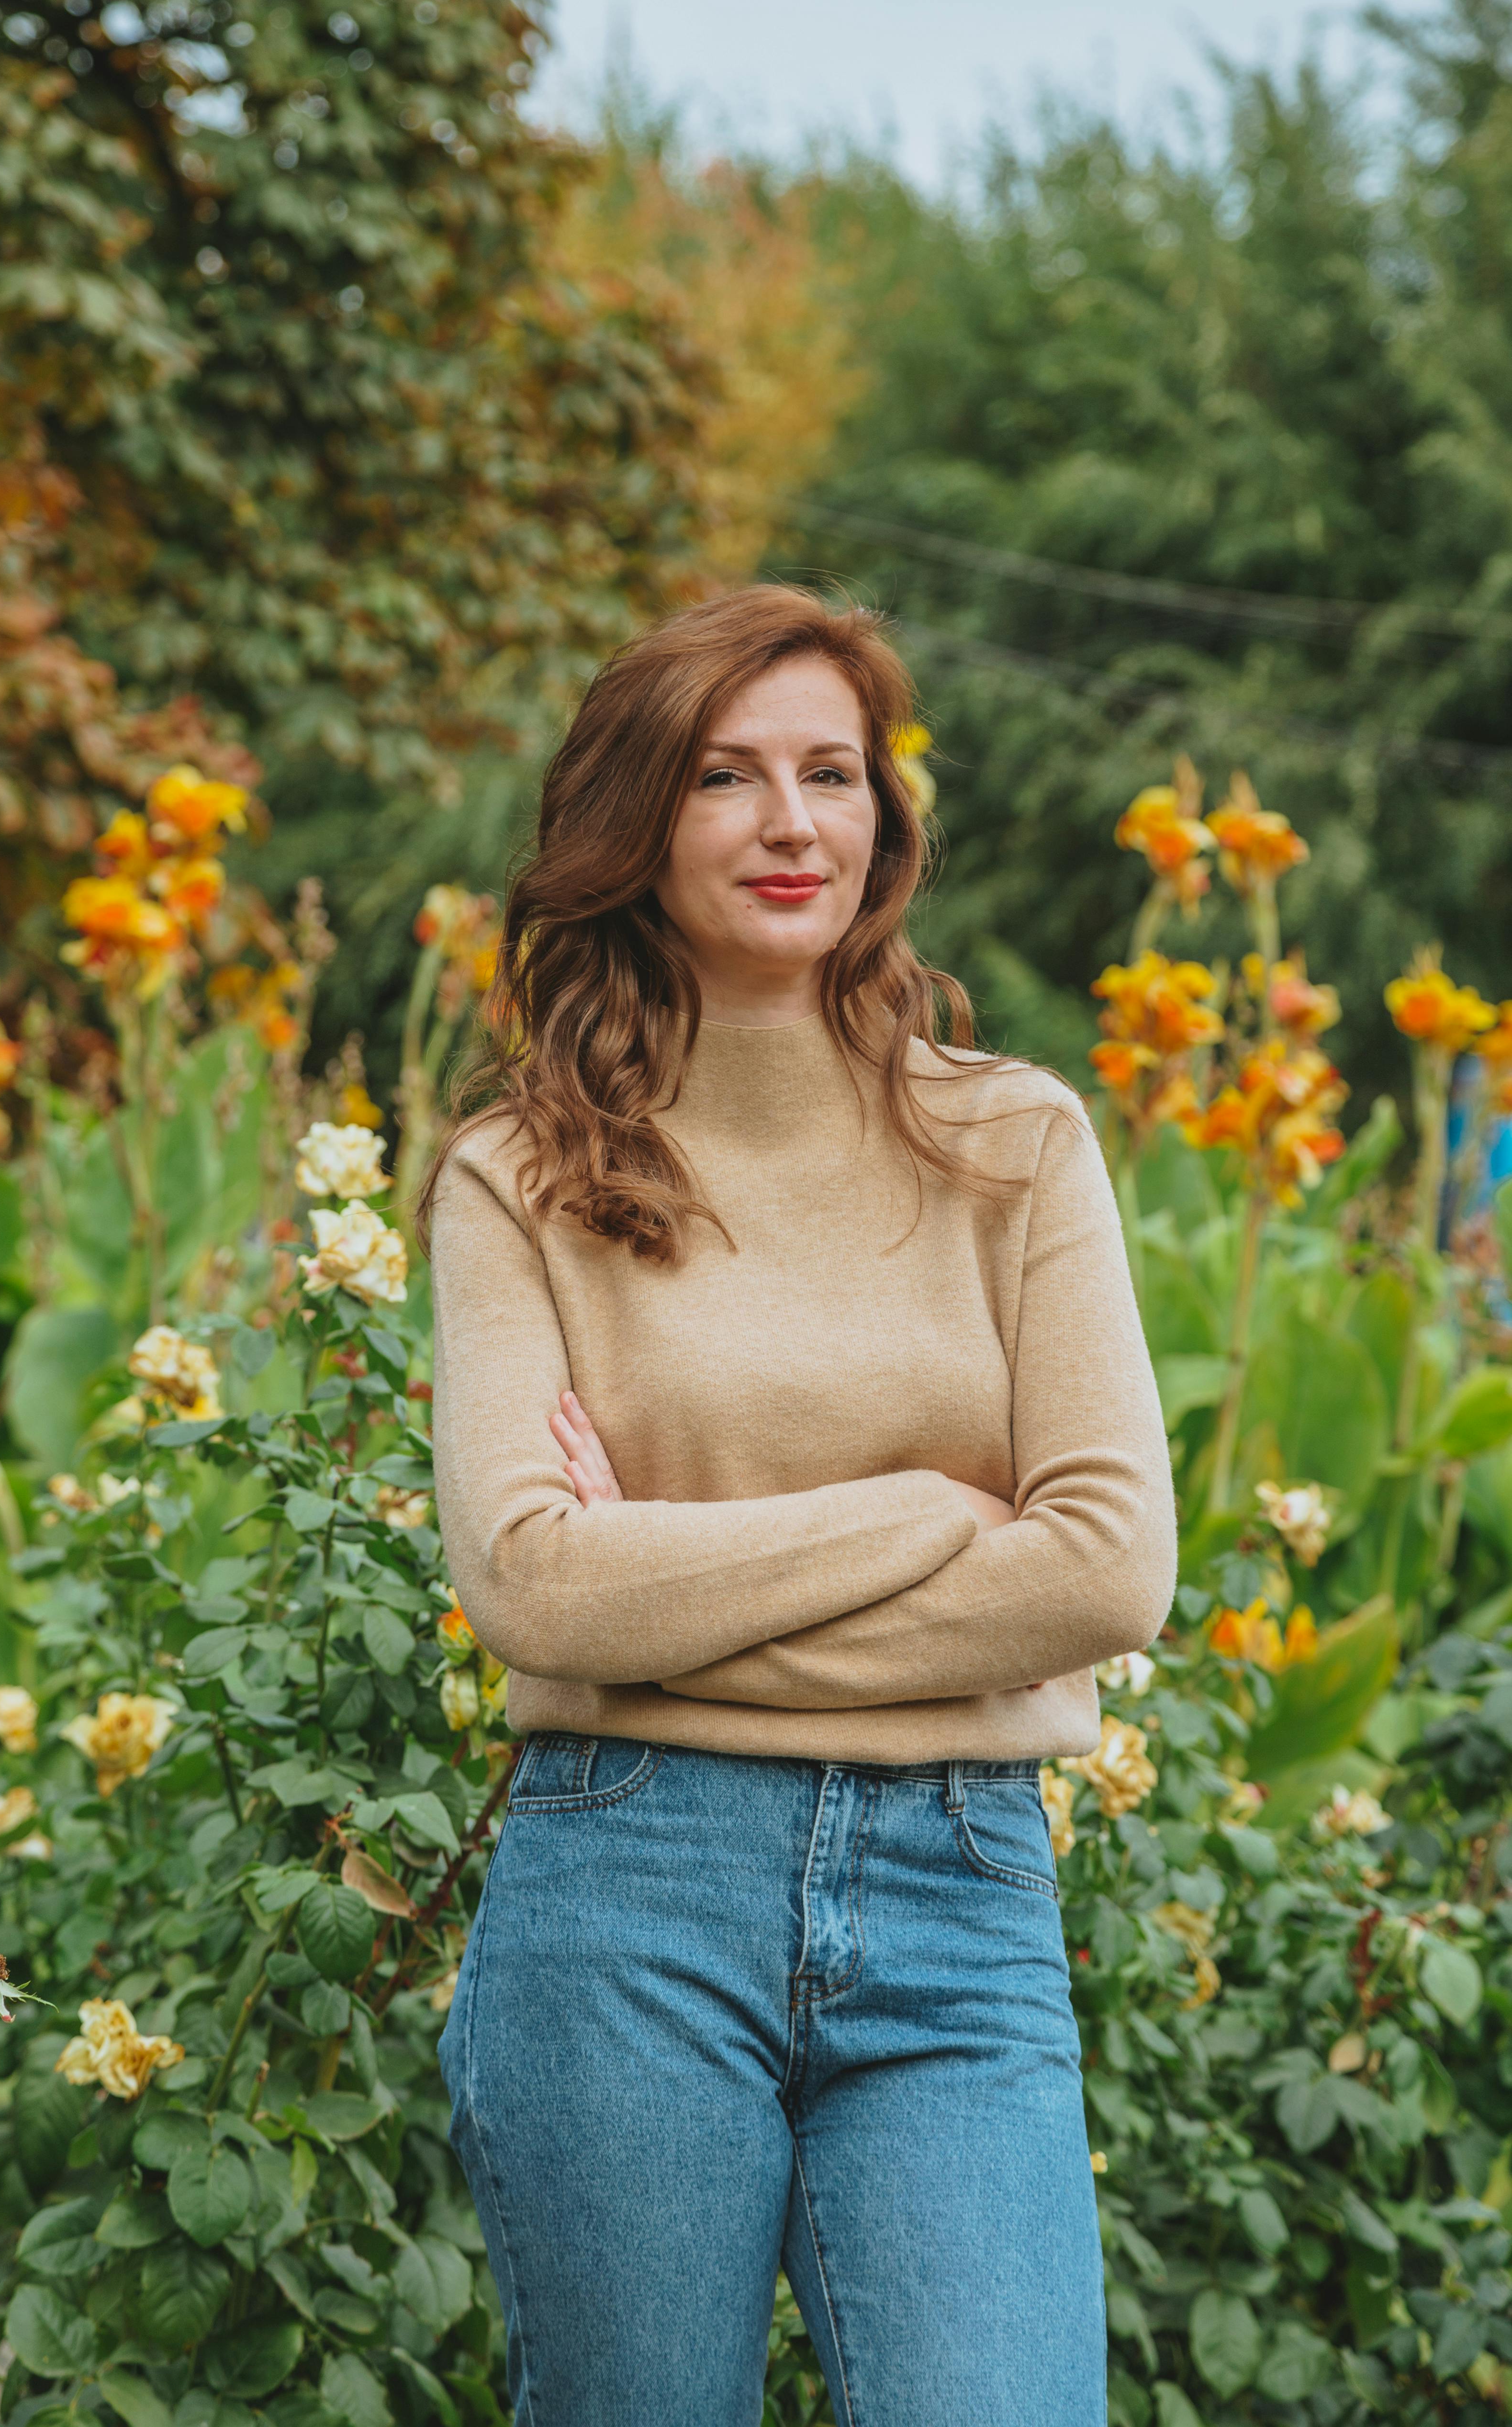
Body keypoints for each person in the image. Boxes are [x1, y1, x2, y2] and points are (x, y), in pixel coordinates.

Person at [424, 584, 1176, 2427]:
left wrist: (669, 1584)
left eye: (831, 773)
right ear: (633, 824)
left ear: (883, 820)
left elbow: (1107, 1569)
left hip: (960, 1898)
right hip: (626, 1894)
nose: (792, 825)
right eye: (728, 778)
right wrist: (933, 1508)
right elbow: (536, 1588)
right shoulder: (518, 1176)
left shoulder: (1016, 1143)